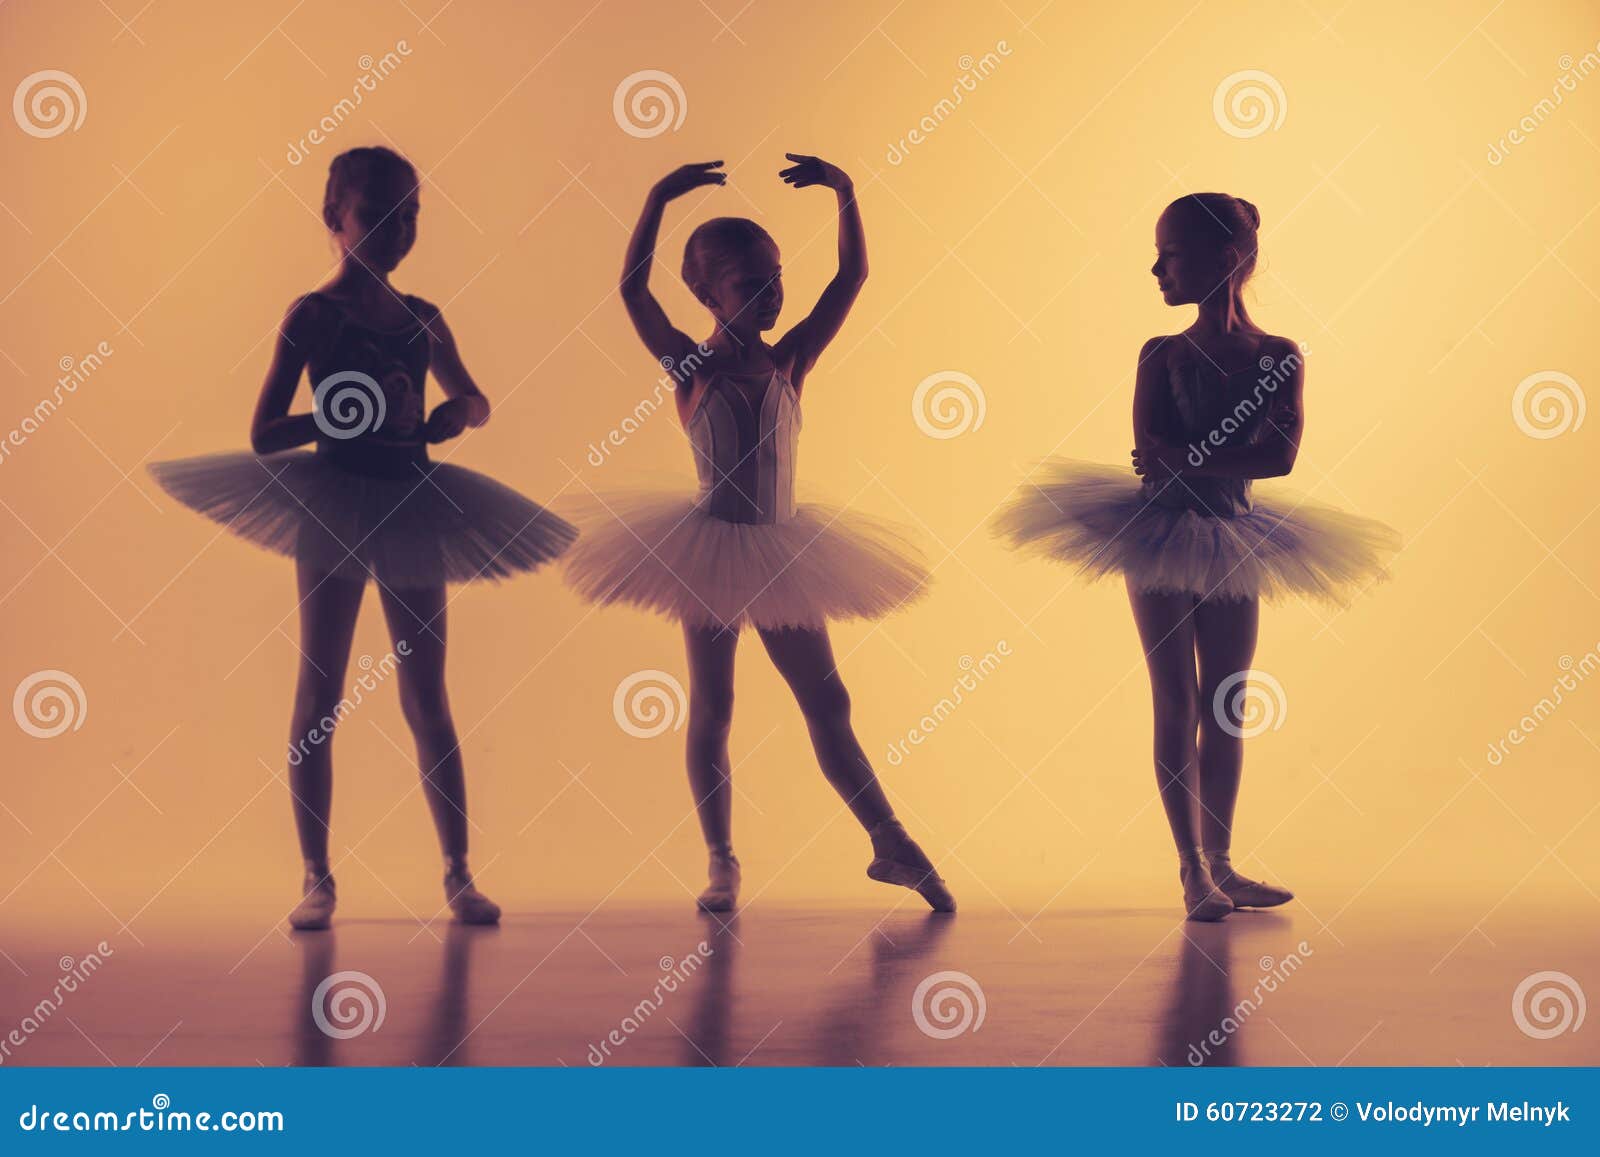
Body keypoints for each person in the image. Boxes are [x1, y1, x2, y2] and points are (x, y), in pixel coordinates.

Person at [148, 146, 577, 930]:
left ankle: (457, 870)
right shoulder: (314, 315)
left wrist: (460, 414)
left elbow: (473, 397)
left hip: (412, 498)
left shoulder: (422, 316)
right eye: (377, 214)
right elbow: (265, 433)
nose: (397, 229)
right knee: (321, 689)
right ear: (334, 219)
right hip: (337, 502)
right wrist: (336, 418)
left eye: (410, 213)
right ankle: (317, 875)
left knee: (427, 691)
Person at [561, 155, 955, 914]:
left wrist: (847, 192)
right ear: (707, 293)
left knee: (828, 698)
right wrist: (654, 198)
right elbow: (631, 292)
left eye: (776, 279)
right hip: (708, 548)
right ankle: (721, 861)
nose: (772, 294)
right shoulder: (689, 367)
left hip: (783, 547)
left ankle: (890, 840)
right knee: (714, 704)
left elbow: (851, 280)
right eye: (751, 284)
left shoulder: (791, 359)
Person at [995, 193, 1398, 921]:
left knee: (1226, 703)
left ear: (1227, 260)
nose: (1155, 268)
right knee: (1176, 697)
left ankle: (1221, 860)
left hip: (1235, 532)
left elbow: (1278, 455)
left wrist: (1187, 458)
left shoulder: (1278, 356)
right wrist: (1183, 460)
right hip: (1159, 532)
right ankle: (1191, 870)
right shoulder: (1163, 352)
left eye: (1170, 253)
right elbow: (1152, 457)